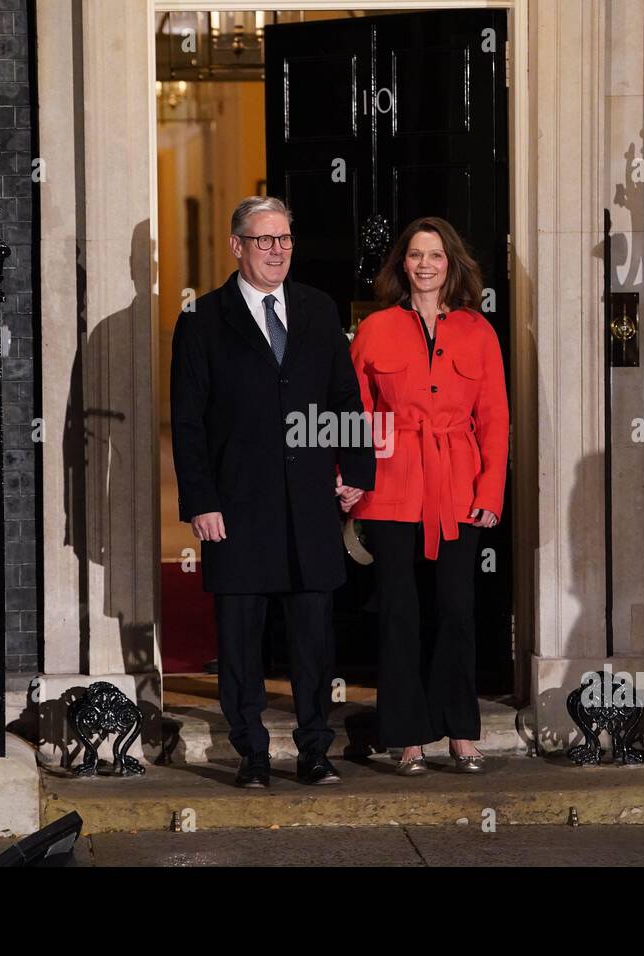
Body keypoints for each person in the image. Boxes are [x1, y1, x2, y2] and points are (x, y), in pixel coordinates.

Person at [170, 196, 375, 788]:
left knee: (313, 638)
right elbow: (188, 420)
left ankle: (315, 749)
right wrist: (201, 501)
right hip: (236, 508)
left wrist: (356, 467)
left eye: (284, 238)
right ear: (237, 246)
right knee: (240, 642)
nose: (277, 250)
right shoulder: (203, 320)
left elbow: (343, 398)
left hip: (309, 504)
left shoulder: (317, 308)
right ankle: (252, 753)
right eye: (265, 240)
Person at [347, 216, 509, 775]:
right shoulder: (376, 329)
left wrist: (491, 489)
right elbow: (358, 414)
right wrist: (352, 478)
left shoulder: (478, 332)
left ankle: (461, 729)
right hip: (392, 488)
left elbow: (494, 418)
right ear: (402, 265)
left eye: (435, 255)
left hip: (458, 488)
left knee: (457, 611)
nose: (425, 264)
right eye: (415, 255)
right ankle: (407, 734)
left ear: (451, 264)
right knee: (398, 612)